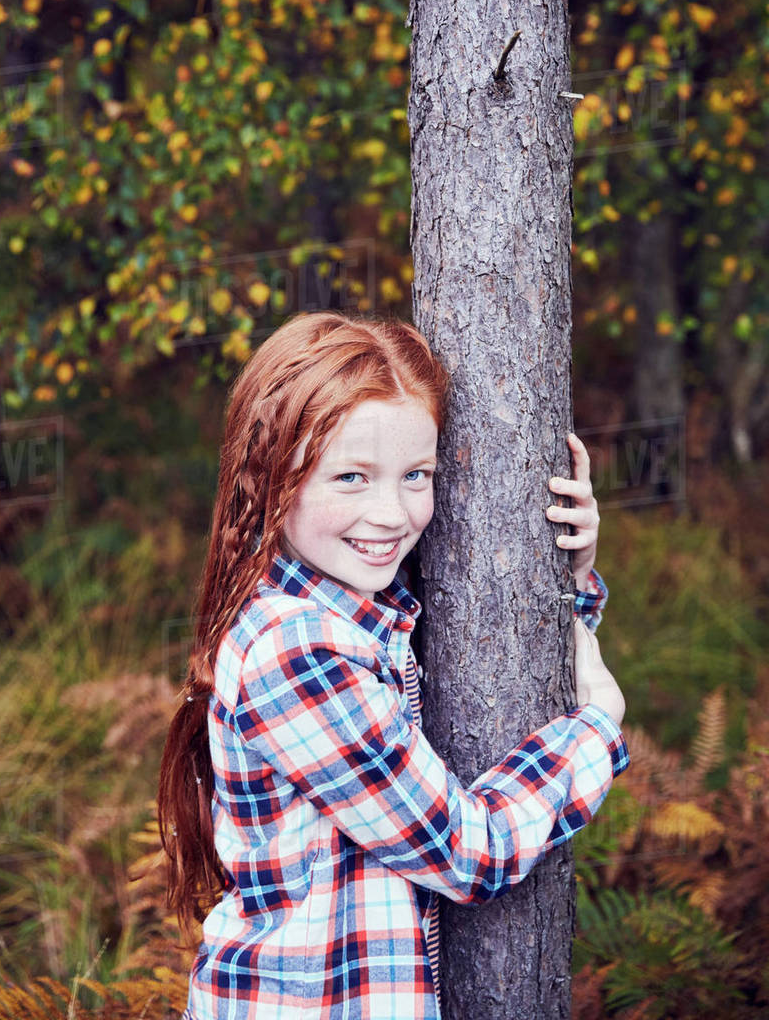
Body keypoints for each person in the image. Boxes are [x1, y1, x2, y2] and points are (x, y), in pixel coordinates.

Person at [158, 309, 628, 1020]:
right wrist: (597, 729)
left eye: (417, 474)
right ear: (267, 474)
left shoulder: (355, 612)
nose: (391, 514)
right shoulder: (298, 654)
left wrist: (569, 576)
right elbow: (471, 851)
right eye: (351, 476)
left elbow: (501, 665)